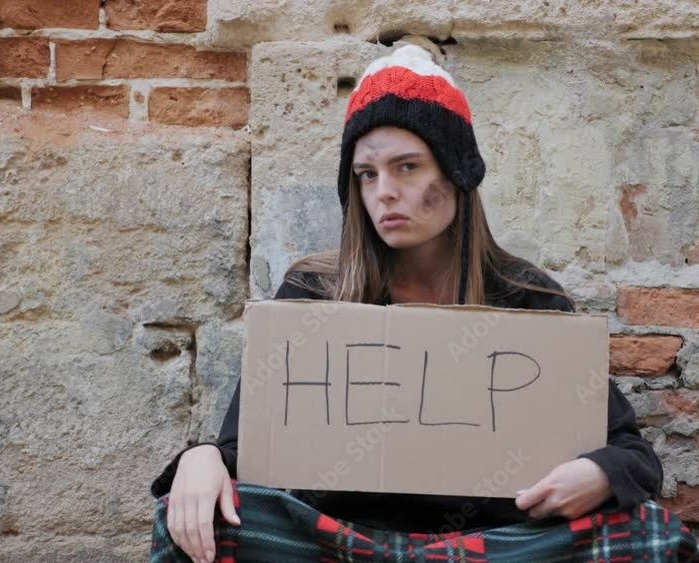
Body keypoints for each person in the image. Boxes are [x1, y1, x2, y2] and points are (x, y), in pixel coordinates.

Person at [150, 44, 664, 563]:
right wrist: (202, 458)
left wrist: (600, 474)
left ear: (457, 175)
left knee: (646, 530)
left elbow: (633, 455)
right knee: (192, 516)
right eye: (367, 174)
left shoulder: (526, 295)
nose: (384, 192)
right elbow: (246, 451)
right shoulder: (313, 294)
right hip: (333, 542)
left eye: (408, 167)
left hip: (493, 546)